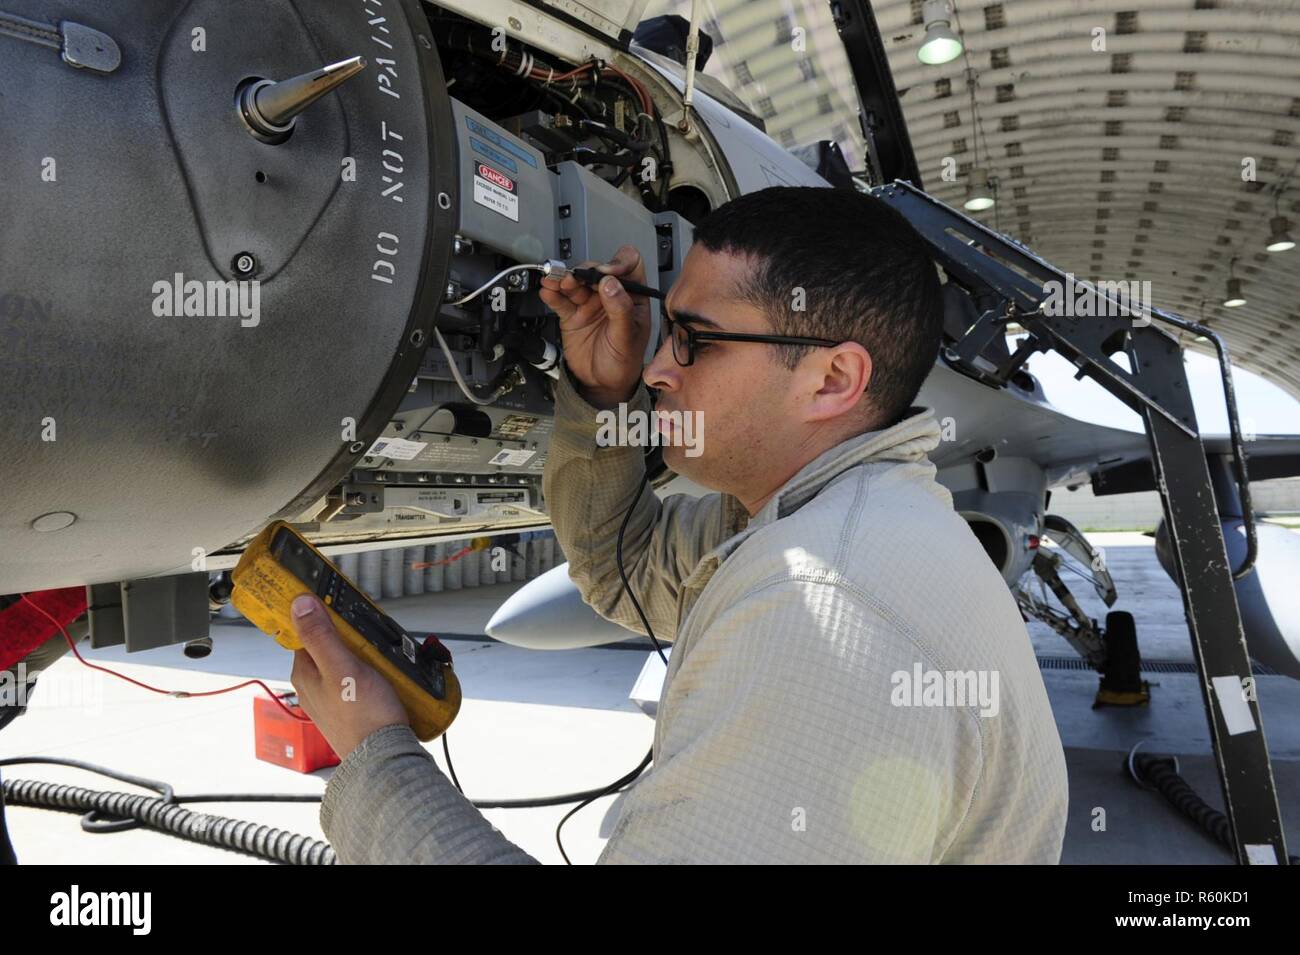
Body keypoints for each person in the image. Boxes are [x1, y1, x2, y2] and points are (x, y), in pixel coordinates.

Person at [294, 186, 1069, 863]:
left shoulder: (826, 603)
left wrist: (374, 758)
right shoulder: (831, 517)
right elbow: (618, 563)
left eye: (695, 340)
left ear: (833, 379)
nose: (659, 368)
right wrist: (602, 396)